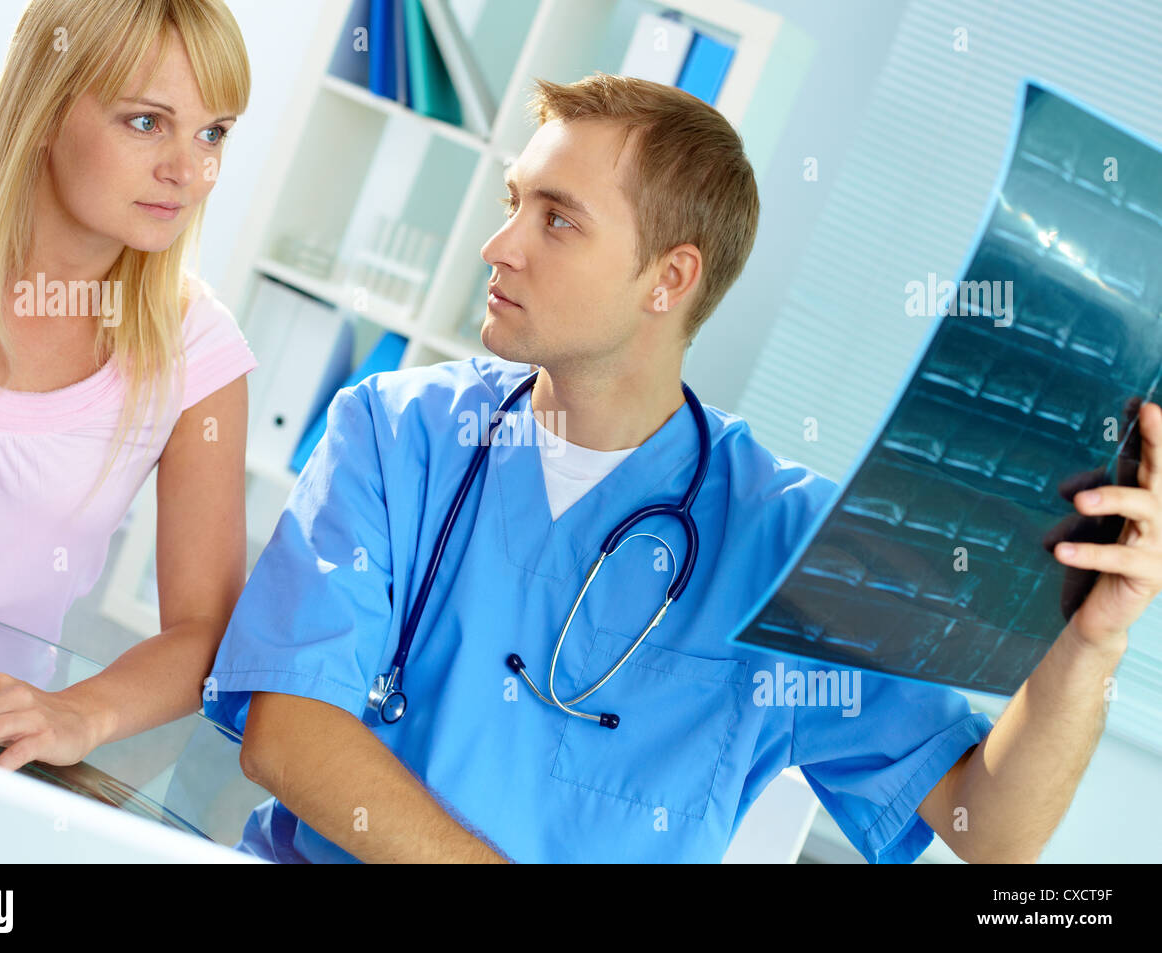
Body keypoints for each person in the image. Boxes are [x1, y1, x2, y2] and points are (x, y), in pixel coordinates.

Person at [206, 74, 1159, 863]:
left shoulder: (786, 539)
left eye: (557, 220)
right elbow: (287, 731)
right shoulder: (395, 430)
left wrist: (1095, 642)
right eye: (512, 205)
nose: (500, 247)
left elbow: (987, 829)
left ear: (671, 278)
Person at [0, 0, 256, 773]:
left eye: (214, 132)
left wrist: (78, 711)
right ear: (44, 106)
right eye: (147, 122)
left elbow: (205, 629)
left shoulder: (199, 356)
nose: (190, 171)